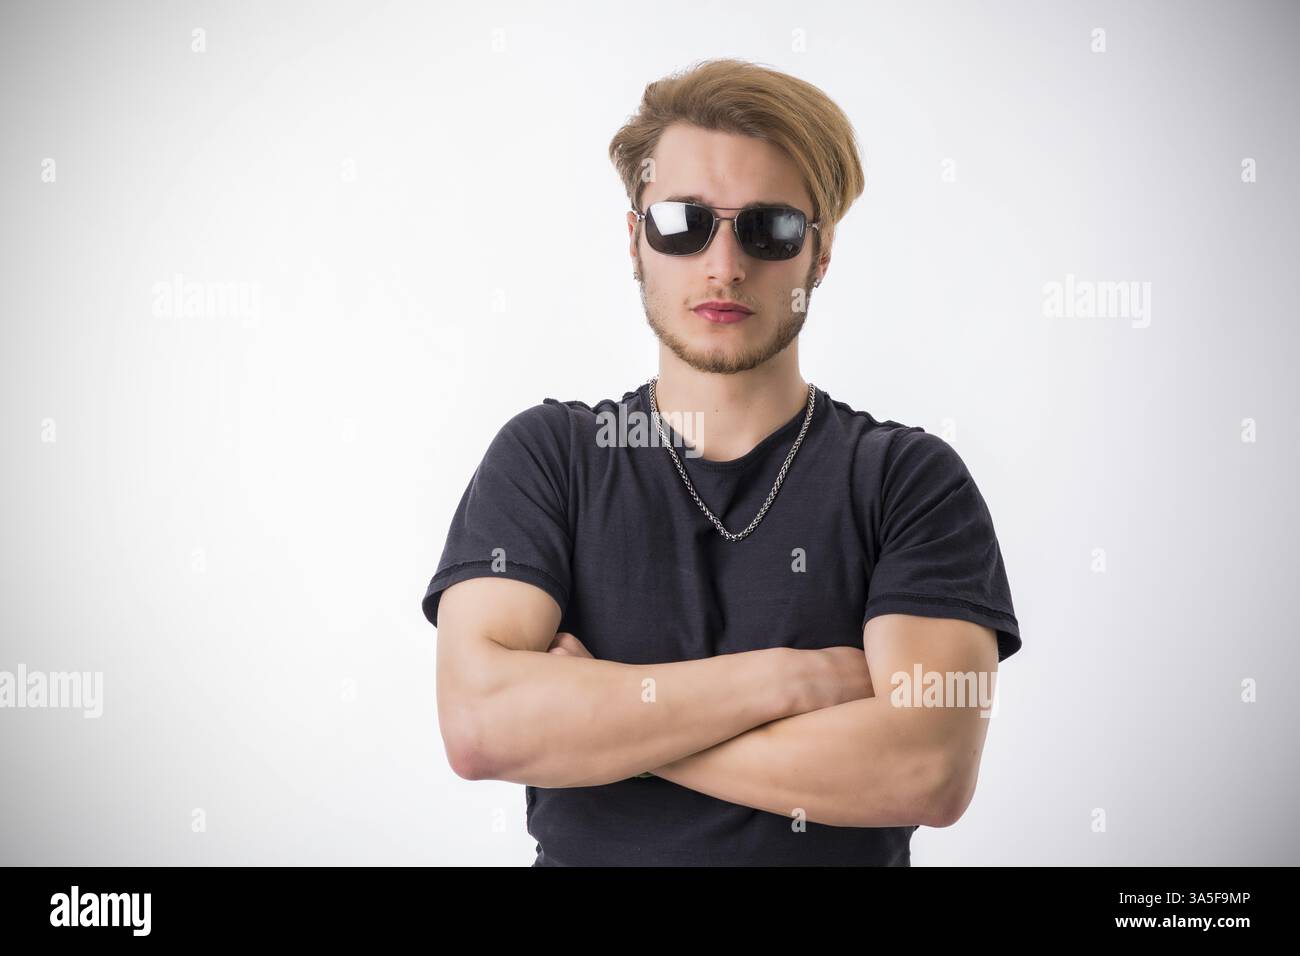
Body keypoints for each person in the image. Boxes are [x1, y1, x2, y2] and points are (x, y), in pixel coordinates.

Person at [422, 58, 1021, 866]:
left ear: (820, 252)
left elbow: (927, 770)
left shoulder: (908, 481)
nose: (724, 265)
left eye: (769, 228)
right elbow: (480, 727)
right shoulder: (550, 458)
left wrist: (603, 726)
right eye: (684, 223)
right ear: (635, 239)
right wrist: (789, 683)